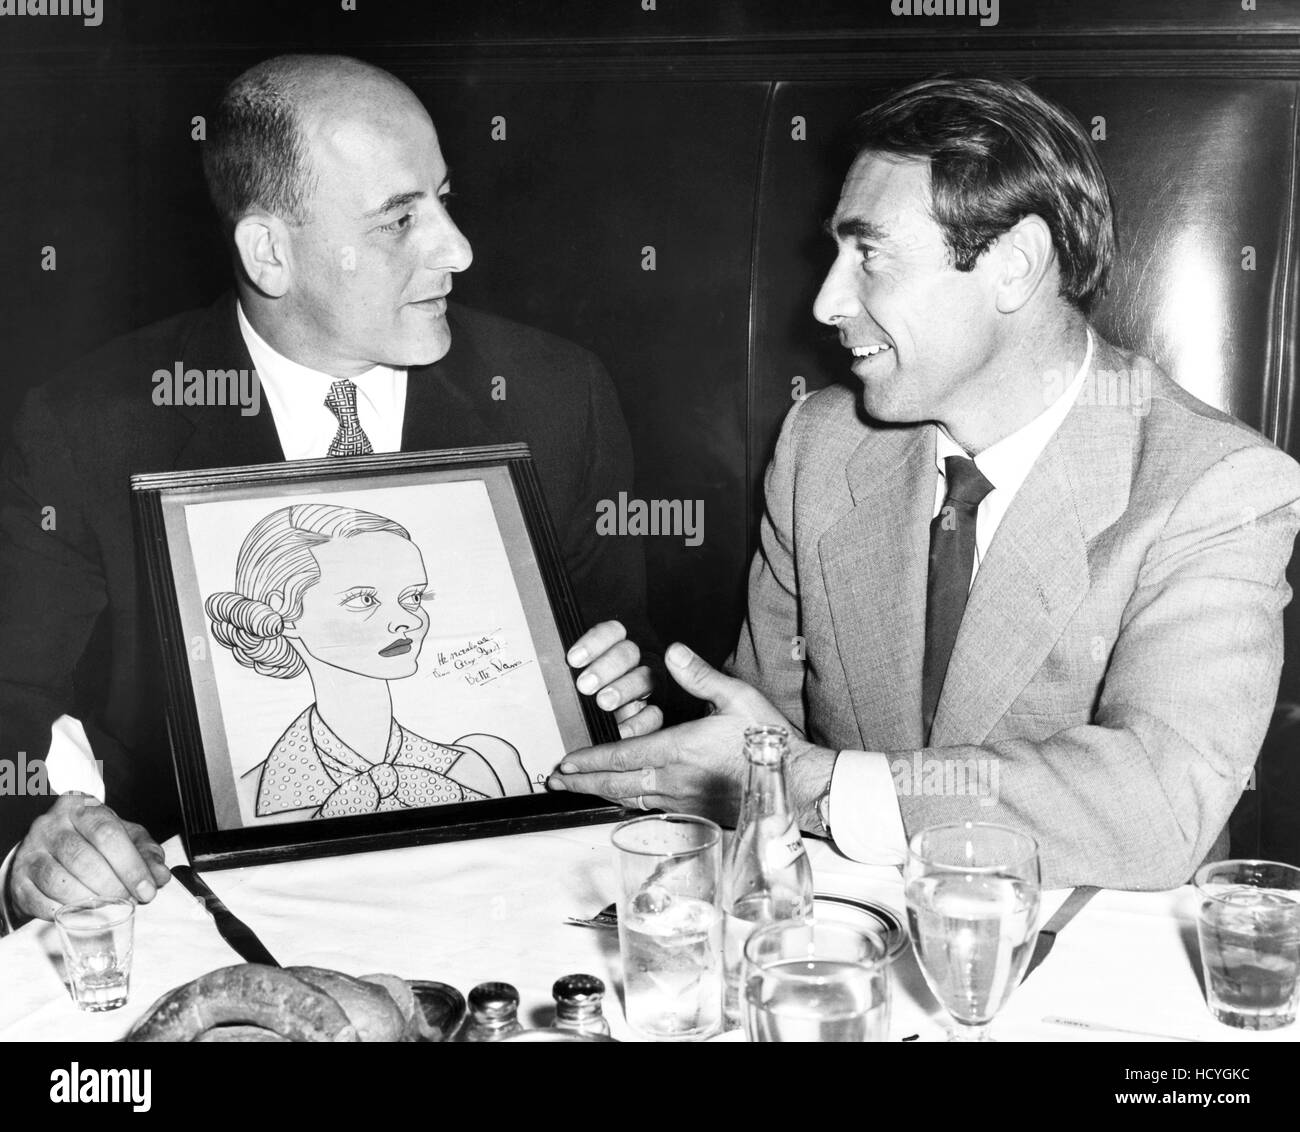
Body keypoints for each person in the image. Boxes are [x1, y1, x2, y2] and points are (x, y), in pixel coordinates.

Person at [552, 76, 1300, 891]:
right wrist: (658, 746)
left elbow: (1155, 807)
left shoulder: (1219, 486)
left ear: (1013, 266)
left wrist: (810, 785)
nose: (827, 302)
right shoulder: (820, 447)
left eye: (869, 254)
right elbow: (759, 734)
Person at [0, 55, 660, 925]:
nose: (457, 249)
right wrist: (38, 846)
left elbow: (634, 674)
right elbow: (16, 695)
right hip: (209, 913)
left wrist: (626, 705)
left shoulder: (555, 394)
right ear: (270, 252)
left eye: (444, 198)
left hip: (511, 897)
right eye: (399, 220)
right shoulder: (90, 424)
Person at [205, 502, 533, 821]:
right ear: (285, 613)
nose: (407, 621)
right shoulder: (243, 802)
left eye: (413, 597)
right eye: (364, 599)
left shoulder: (487, 762)